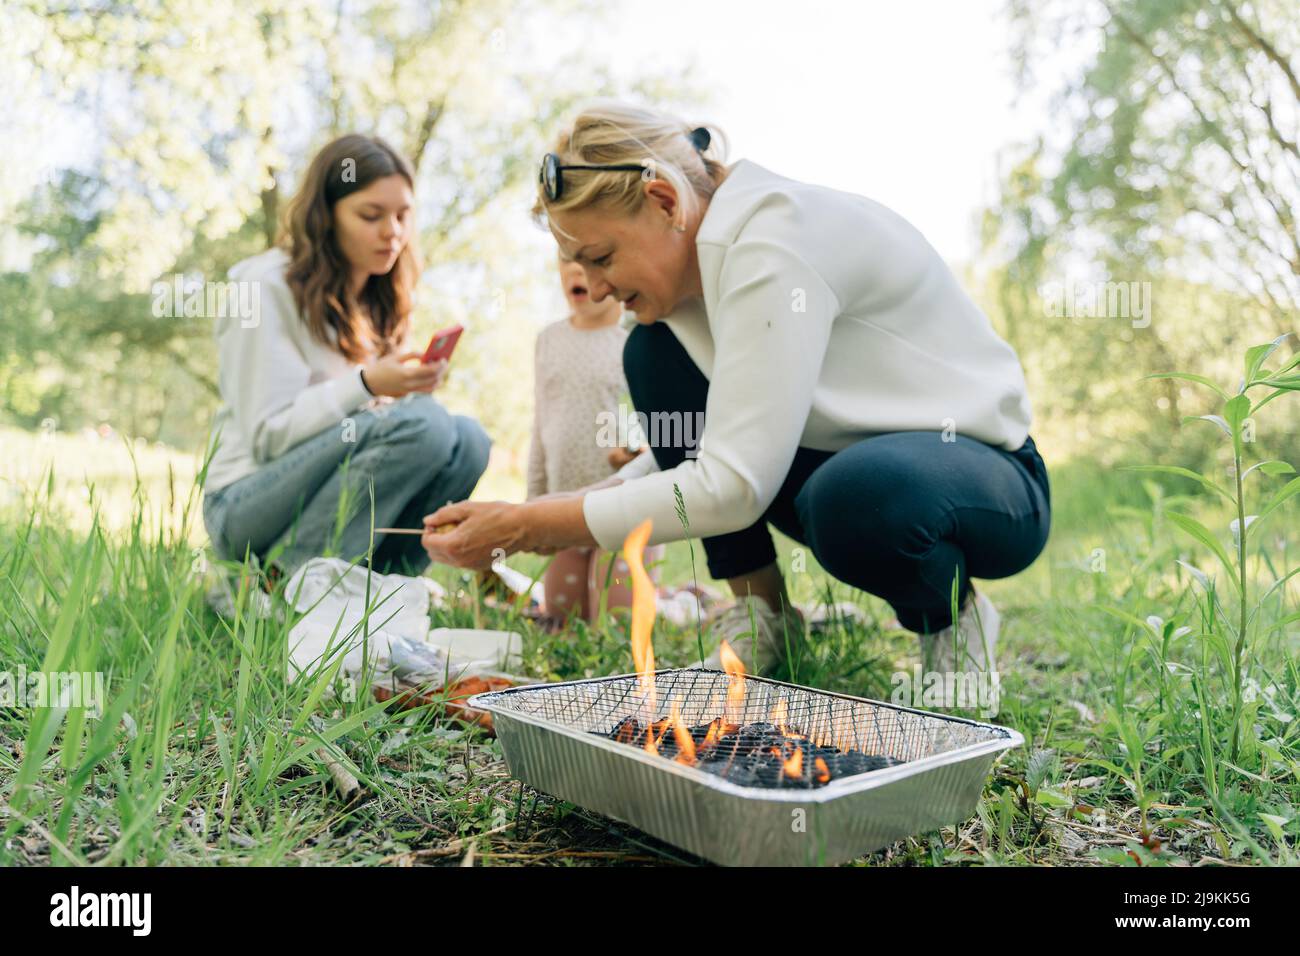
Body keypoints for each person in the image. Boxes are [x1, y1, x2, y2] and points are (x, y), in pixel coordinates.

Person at [421, 102, 1050, 677]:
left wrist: (533, 526)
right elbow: (712, 442)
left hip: (982, 478)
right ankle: (765, 617)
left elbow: (732, 485)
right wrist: (537, 511)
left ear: (665, 200)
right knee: (653, 349)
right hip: (840, 461)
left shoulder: (773, 240)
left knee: (857, 497)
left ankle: (953, 628)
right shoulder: (696, 284)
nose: (597, 285)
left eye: (602, 256)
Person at [201, 133, 491, 582]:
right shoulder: (263, 288)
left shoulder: (382, 299)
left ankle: (378, 589)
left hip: (318, 493)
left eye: (402, 215)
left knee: (468, 440)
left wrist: (399, 389)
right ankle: (287, 587)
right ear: (326, 216)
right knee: (427, 425)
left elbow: (375, 444)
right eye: (370, 215)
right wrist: (368, 384)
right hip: (244, 502)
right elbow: (267, 436)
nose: (392, 232)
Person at [526, 251, 665, 623]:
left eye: (588, 259)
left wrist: (639, 451)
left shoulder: (636, 335)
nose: (575, 270)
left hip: (624, 509)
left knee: (617, 621)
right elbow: (540, 423)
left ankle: (677, 604)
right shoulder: (549, 339)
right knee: (561, 620)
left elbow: (657, 421)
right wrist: (535, 502)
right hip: (564, 509)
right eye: (565, 260)